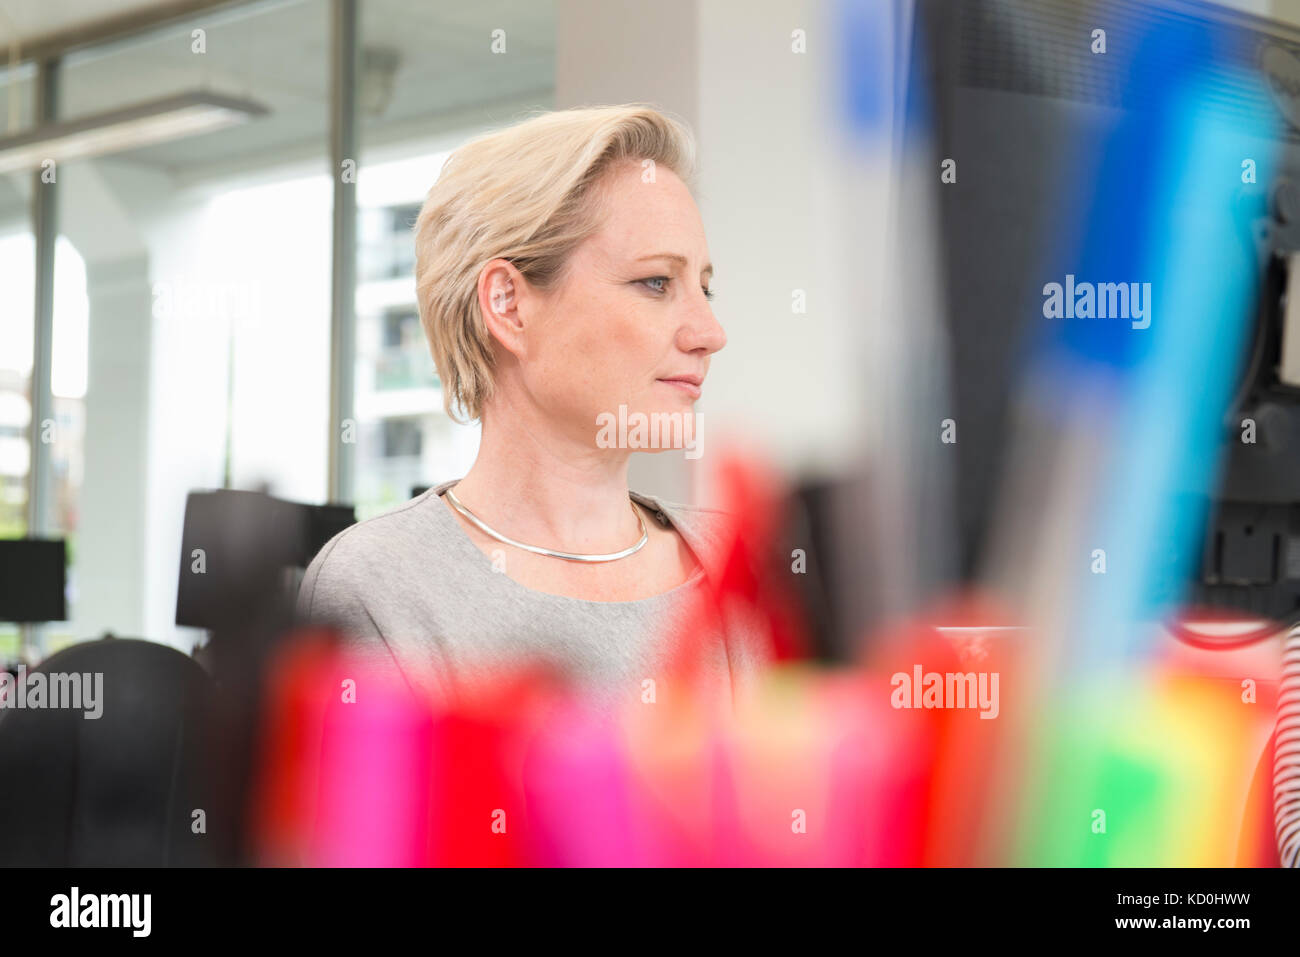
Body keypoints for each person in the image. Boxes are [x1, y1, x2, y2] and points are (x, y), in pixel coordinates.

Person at [296, 104, 770, 719]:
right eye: (656, 282)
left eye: (703, 289)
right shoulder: (379, 585)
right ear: (510, 306)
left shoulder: (738, 563)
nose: (710, 332)